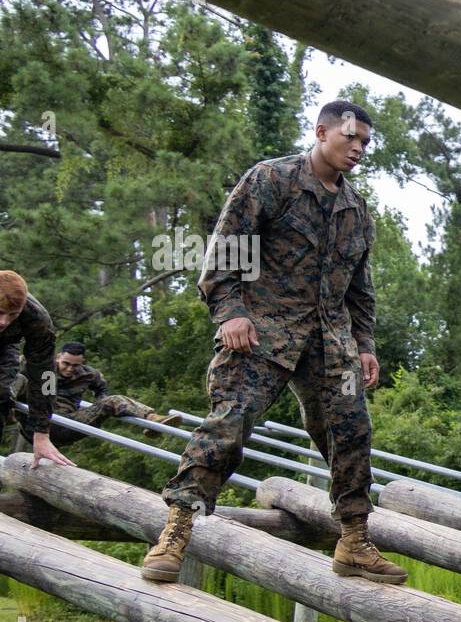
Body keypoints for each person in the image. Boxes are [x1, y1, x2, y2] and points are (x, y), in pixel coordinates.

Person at [140, 101, 406, 586]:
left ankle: (354, 539)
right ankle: (176, 529)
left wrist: (365, 343)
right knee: (230, 423)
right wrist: (231, 313)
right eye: (351, 137)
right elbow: (224, 252)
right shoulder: (271, 180)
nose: (359, 149)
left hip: (330, 343)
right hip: (263, 332)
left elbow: (359, 288)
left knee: (352, 431)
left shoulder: (356, 210)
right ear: (321, 131)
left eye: (366, 142)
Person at [14, 342, 182, 445]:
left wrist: (100, 401)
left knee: (112, 400)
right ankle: (4, 409)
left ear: (82, 363)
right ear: (58, 357)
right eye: (66, 364)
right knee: (22, 379)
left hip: (68, 423)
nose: (69, 369)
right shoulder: (43, 366)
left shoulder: (89, 374)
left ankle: (153, 422)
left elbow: (101, 389)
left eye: (75, 366)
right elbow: (14, 366)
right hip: (37, 419)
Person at [0, 270, 74, 467]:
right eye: (0, 312)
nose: (3, 321)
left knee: (2, 394)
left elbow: (46, 376)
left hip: (5, 346)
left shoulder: (37, 319)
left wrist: (41, 434)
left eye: (12, 315)